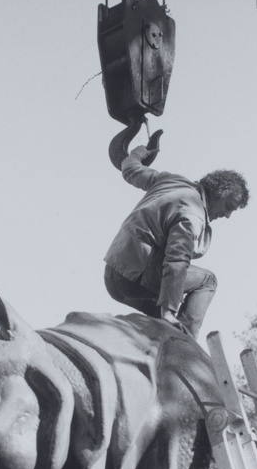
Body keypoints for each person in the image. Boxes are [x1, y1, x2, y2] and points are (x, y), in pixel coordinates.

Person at [104, 145, 249, 340]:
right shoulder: (192, 214)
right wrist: (169, 313)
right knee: (208, 281)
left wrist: (139, 153)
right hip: (137, 276)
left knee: (163, 327)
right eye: (228, 206)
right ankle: (187, 345)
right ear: (218, 193)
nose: (227, 215)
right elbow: (177, 262)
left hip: (113, 276)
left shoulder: (170, 181)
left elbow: (130, 169)